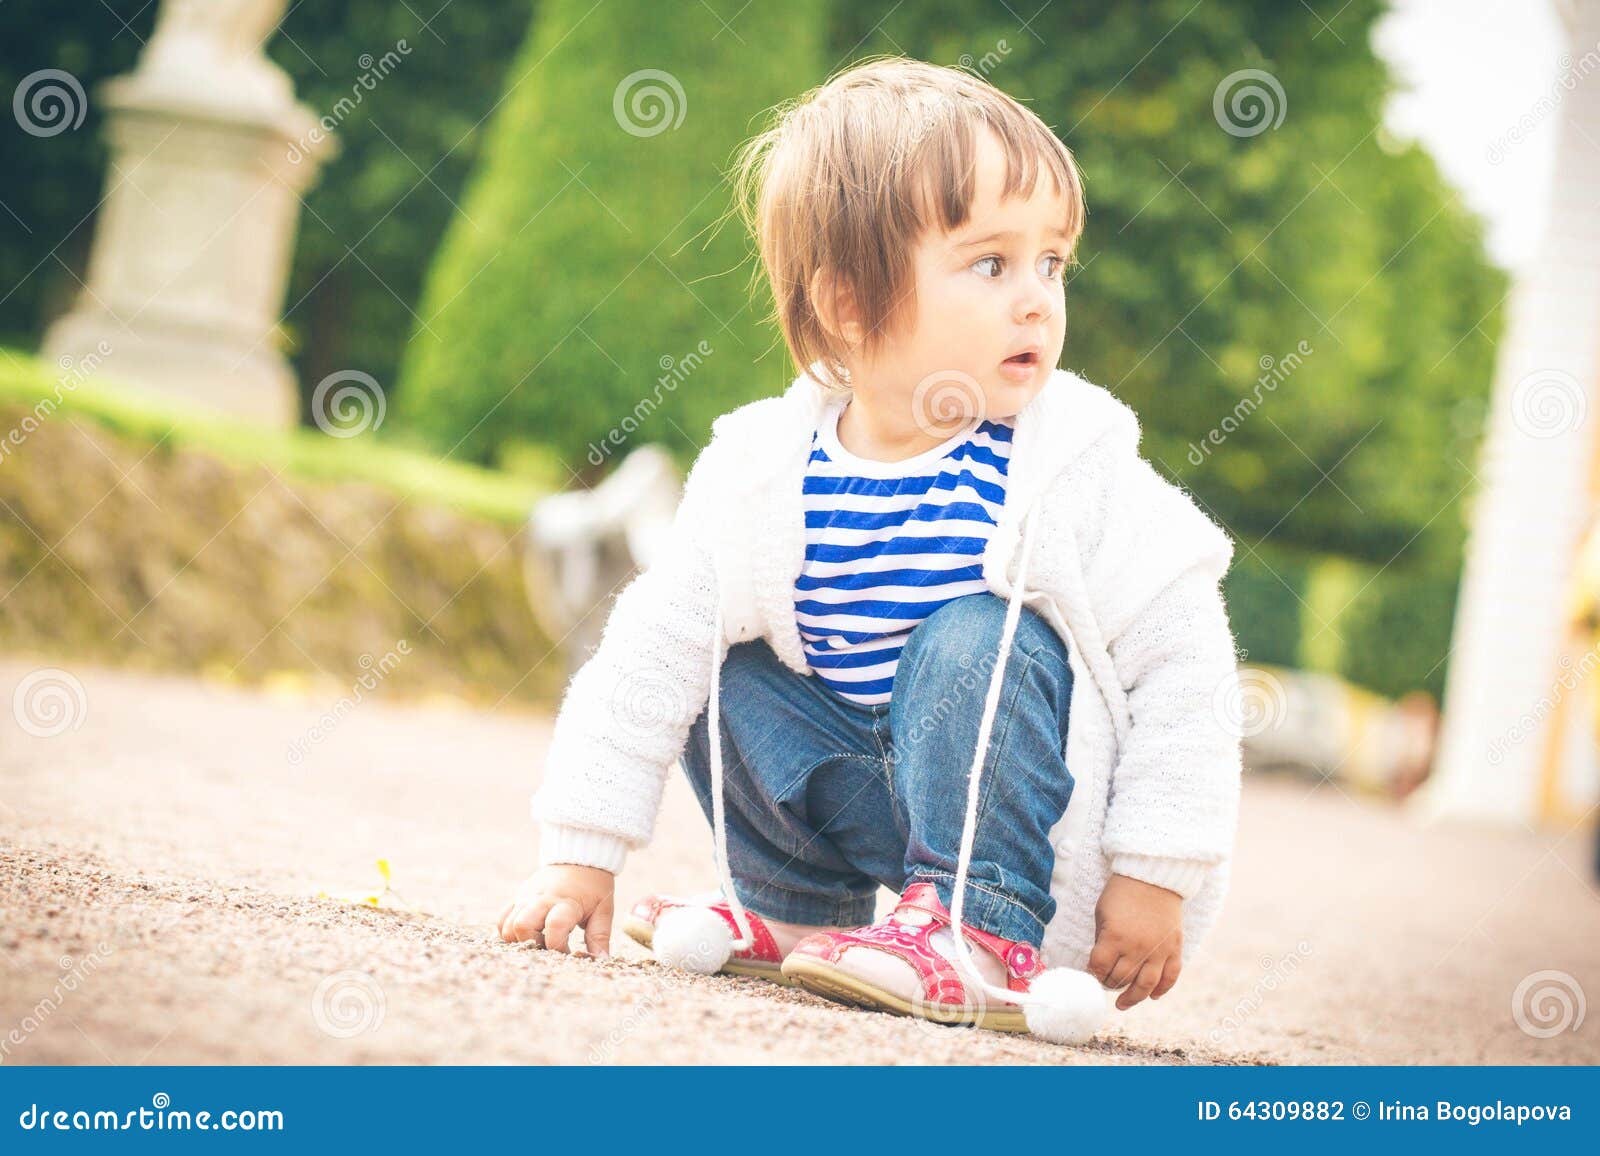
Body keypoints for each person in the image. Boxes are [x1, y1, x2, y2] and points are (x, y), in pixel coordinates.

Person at [497, 56, 1242, 1032]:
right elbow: (644, 658)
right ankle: (791, 908)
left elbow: (1186, 661)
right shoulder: (763, 471)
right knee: (713, 658)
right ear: (849, 304)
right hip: (865, 787)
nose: (1035, 300)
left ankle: (977, 929)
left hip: (1017, 828)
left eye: (1050, 262)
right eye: (990, 263)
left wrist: (1157, 872)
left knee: (977, 634)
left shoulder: (1069, 466)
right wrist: (578, 850)